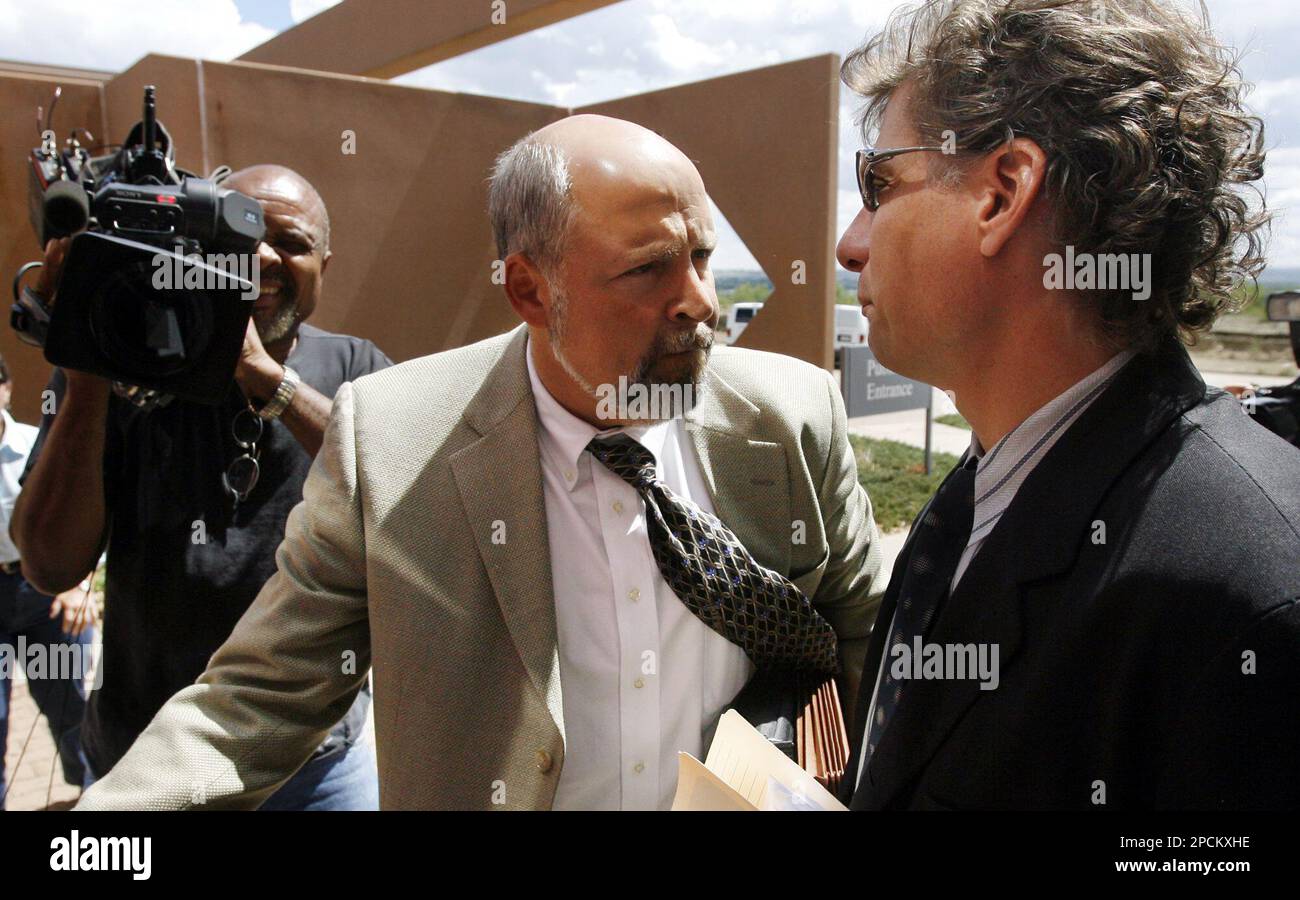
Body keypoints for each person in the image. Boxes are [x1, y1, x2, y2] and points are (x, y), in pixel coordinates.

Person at [75, 115, 884, 811]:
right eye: (650, 268)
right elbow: (256, 699)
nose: (702, 302)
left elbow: (862, 627)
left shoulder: (793, 416)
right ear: (530, 292)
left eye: (704, 256)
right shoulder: (395, 443)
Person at [836, 0, 1300, 809]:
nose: (849, 242)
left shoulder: (1251, 597)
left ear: (1003, 192)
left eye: (879, 182)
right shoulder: (978, 496)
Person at [12, 165, 392, 810]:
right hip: (149, 755)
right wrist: (87, 376)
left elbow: (405, 491)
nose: (266, 257)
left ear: (325, 263)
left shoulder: (355, 369)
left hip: (314, 761)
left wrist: (262, 378)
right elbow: (49, 564)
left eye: (293, 243)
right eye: (241, 239)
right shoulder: (114, 361)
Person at [0, 353, 94, 809]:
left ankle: (95, 797)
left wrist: (81, 584)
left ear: (5, 390)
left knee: (69, 708)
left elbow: (87, 514)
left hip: (45, 598)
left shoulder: (38, 446)